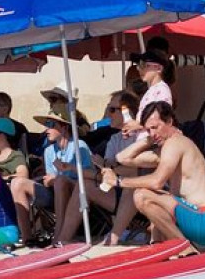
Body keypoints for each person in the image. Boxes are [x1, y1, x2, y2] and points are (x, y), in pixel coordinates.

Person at [101, 101, 205, 248]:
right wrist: (149, 138)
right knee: (152, 198)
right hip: (197, 219)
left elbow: (157, 181)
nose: (152, 133)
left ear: (170, 121)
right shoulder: (167, 149)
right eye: (148, 130)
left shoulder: (175, 143)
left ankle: (184, 248)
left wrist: (118, 181)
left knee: (142, 195)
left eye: (155, 127)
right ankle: (163, 245)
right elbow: (123, 158)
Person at [57, 91, 146, 245]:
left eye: (112, 110)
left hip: (138, 194)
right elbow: (106, 170)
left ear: (127, 112)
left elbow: (137, 171)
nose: (107, 114)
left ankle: (115, 235)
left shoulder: (142, 137)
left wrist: (108, 168)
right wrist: (72, 168)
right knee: (83, 183)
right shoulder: (114, 139)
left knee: (90, 181)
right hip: (118, 190)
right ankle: (62, 240)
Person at [10, 111, 93, 244]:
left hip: (77, 195)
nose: (46, 129)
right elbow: (49, 180)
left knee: (60, 180)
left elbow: (89, 175)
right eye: (45, 125)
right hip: (55, 193)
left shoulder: (79, 146)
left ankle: (59, 231)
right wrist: (53, 180)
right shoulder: (49, 151)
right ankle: (27, 237)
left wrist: (59, 178)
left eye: (50, 124)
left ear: (64, 127)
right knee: (17, 183)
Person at [123, 50, 173, 137]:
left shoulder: (162, 90)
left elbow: (160, 120)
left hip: (153, 144)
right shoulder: (150, 91)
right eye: (138, 65)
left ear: (159, 69)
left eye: (144, 65)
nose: (138, 69)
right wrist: (132, 129)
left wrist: (137, 125)